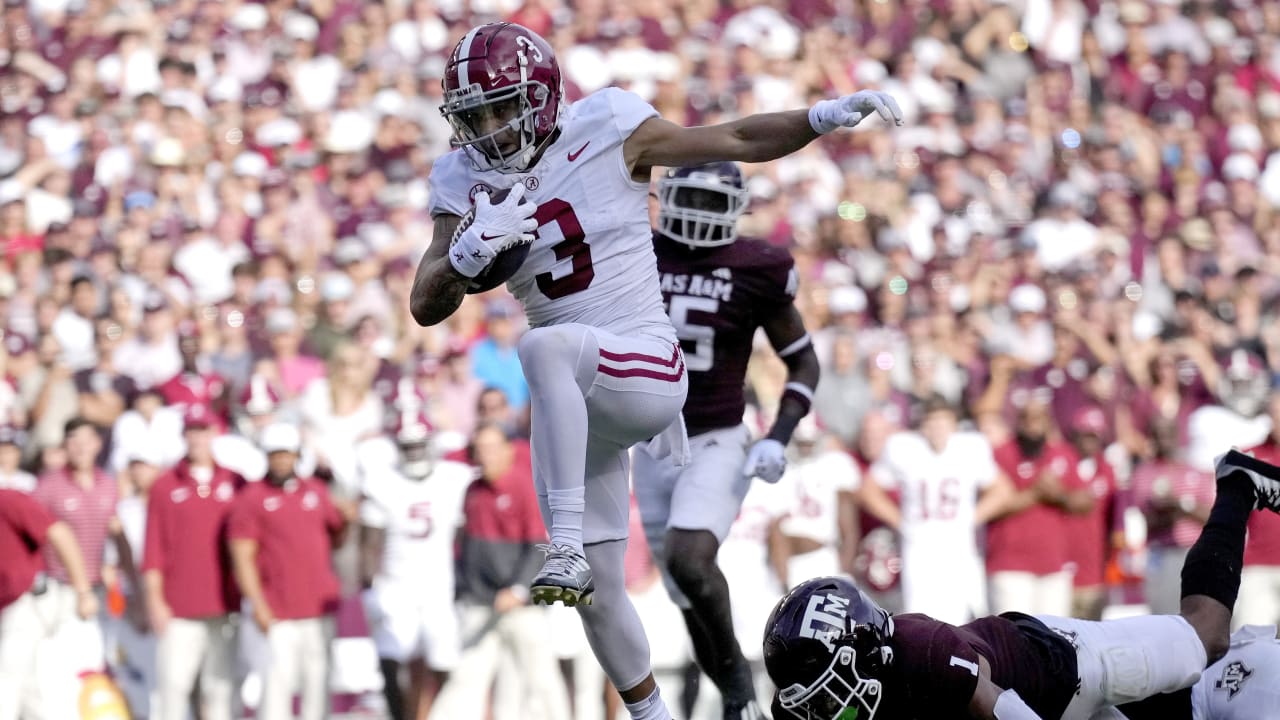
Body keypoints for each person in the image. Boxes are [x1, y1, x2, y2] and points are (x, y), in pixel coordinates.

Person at [408, 21, 901, 720]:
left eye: (501, 107)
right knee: (597, 594)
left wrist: (817, 118)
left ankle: (566, 545)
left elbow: (730, 141)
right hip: (577, 402)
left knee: (543, 348)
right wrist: (460, 258)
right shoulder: (462, 177)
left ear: (543, 96)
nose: (489, 128)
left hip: (644, 368)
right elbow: (425, 304)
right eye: (475, 116)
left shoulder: (608, 125)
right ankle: (653, 713)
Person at [760, 449, 1280, 720]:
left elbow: (995, 705)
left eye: (830, 700)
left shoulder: (919, 647)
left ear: (870, 655)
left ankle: (1235, 483)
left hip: (1066, 670)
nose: (823, 715)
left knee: (1206, 635)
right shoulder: (801, 705)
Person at [630, 161, 820, 720]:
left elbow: (802, 361)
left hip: (715, 437)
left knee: (692, 560)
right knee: (687, 597)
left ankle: (737, 681)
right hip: (648, 441)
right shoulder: (636, 251)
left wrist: (779, 435)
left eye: (714, 203)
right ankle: (737, 701)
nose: (700, 214)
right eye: (692, 199)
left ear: (737, 210)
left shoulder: (758, 267)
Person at [228, 423, 354, 720]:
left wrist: (347, 519)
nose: (282, 461)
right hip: (278, 608)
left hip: (317, 604)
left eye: (287, 454)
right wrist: (257, 602)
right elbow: (242, 556)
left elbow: (336, 539)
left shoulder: (316, 491)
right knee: (276, 684)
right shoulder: (252, 497)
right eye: (275, 455)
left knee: (318, 682)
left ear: (297, 455)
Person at [358, 409, 474, 720]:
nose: (415, 453)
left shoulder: (453, 478)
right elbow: (369, 543)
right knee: (390, 658)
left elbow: (466, 537)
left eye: (419, 445)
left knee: (446, 663)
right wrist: (367, 587)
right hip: (397, 586)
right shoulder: (383, 481)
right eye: (408, 447)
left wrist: (466, 581)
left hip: (440, 585)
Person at [858, 395, 1007, 624]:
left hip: (958, 547)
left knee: (964, 621)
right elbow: (869, 490)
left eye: (943, 422)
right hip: (919, 548)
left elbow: (1002, 491)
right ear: (922, 425)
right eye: (931, 422)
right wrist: (900, 521)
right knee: (919, 620)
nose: (937, 429)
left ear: (954, 424)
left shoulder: (970, 447)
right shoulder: (904, 447)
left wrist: (970, 518)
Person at [142, 405, 245, 720]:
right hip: (180, 605)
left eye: (203, 430)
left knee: (222, 690)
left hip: (225, 604)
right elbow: (153, 548)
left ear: (214, 434)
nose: (198, 438)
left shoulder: (235, 480)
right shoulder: (166, 484)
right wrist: (156, 600)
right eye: (192, 431)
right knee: (174, 688)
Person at [0, 488, 97, 720]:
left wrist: (83, 590)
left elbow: (60, 533)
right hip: (7, 606)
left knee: (6, 676)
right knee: (27, 689)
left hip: (27, 600)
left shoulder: (8, 499)